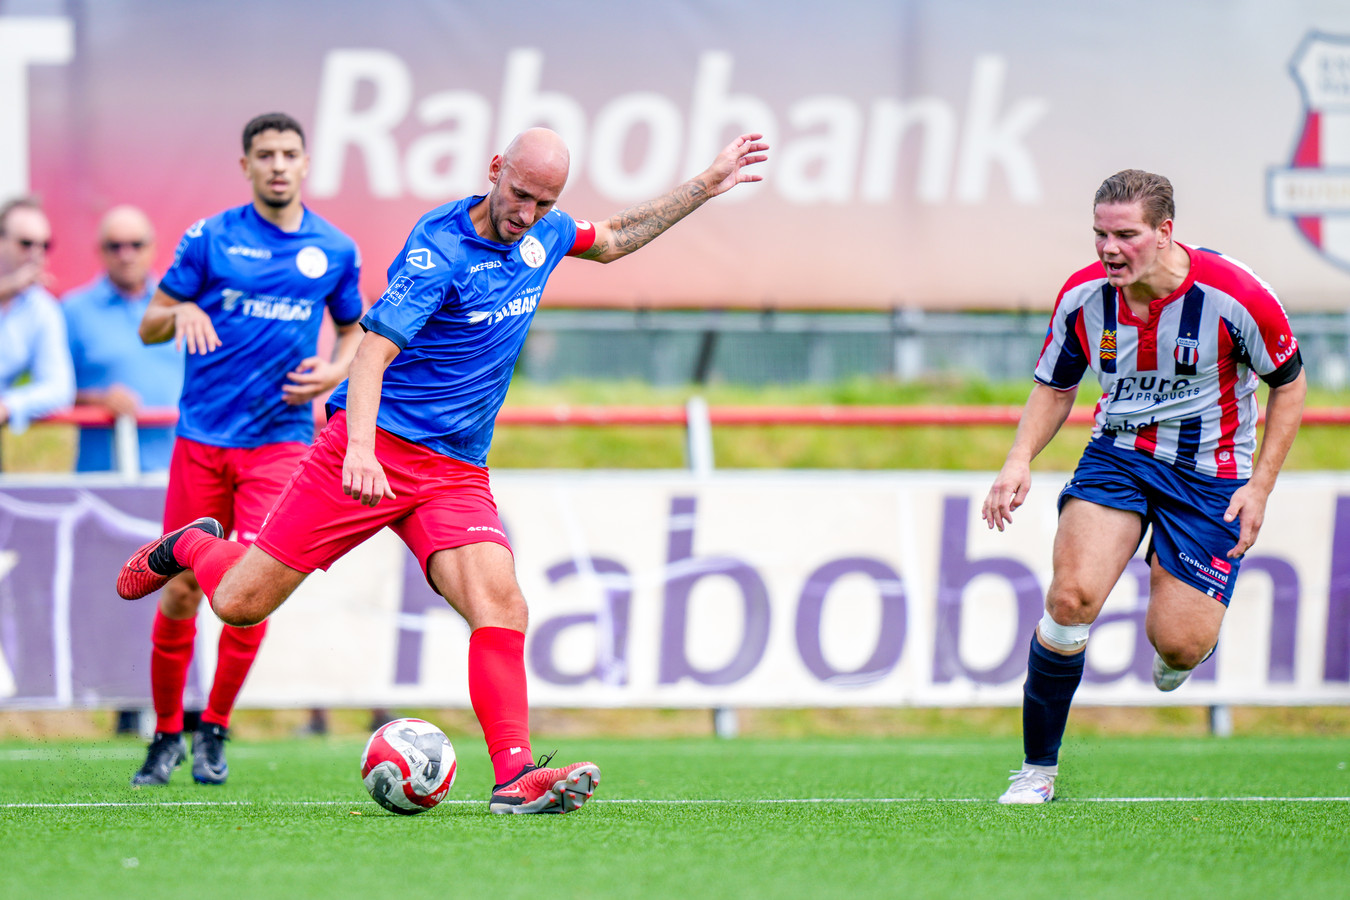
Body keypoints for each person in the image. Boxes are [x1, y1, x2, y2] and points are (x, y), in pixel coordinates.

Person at [118, 126, 769, 814]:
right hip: (372, 448)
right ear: (495, 171)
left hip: (455, 470)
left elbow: (610, 238)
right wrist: (361, 450)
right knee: (238, 603)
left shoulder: (542, 235)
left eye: (544, 203)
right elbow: (369, 355)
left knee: (503, 604)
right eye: (519, 195)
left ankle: (515, 775)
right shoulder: (441, 249)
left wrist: (704, 185)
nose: (527, 214)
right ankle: (189, 543)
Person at [981, 169, 1306, 804]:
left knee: (1181, 644)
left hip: (1210, 476)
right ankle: (1037, 770)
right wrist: (1018, 459)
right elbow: (1055, 385)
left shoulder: (1235, 295)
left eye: (1124, 235)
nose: (1109, 249)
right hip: (1119, 457)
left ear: (1164, 232)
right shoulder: (1084, 297)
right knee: (1070, 599)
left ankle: (1180, 643)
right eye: (1100, 234)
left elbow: (1289, 385)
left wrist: (1260, 488)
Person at [125, 112, 364, 787]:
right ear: (246, 166)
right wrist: (182, 311)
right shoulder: (210, 239)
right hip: (202, 440)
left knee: (251, 587)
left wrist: (336, 370)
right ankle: (168, 732)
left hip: (282, 446)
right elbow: (150, 324)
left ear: (306, 163)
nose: (279, 165)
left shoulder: (335, 250)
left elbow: (355, 334)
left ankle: (215, 729)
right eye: (266, 154)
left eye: (290, 153)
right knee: (178, 590)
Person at [62, 205, 183, 473]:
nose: (126, 255)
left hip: (176, 474)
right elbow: (52, 390)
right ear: (100, 251)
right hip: (103, 476)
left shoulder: (181, 306)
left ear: (153, 247)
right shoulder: (73, 311)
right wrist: (98, 400)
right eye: (115, 246)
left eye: (135, 245)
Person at [0, 196, 74, 458]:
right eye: (26, 243)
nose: (36, 253)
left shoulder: (41, 308)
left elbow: (59, 388)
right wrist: (7, 288)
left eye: (45, 245)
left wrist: (8, 405)